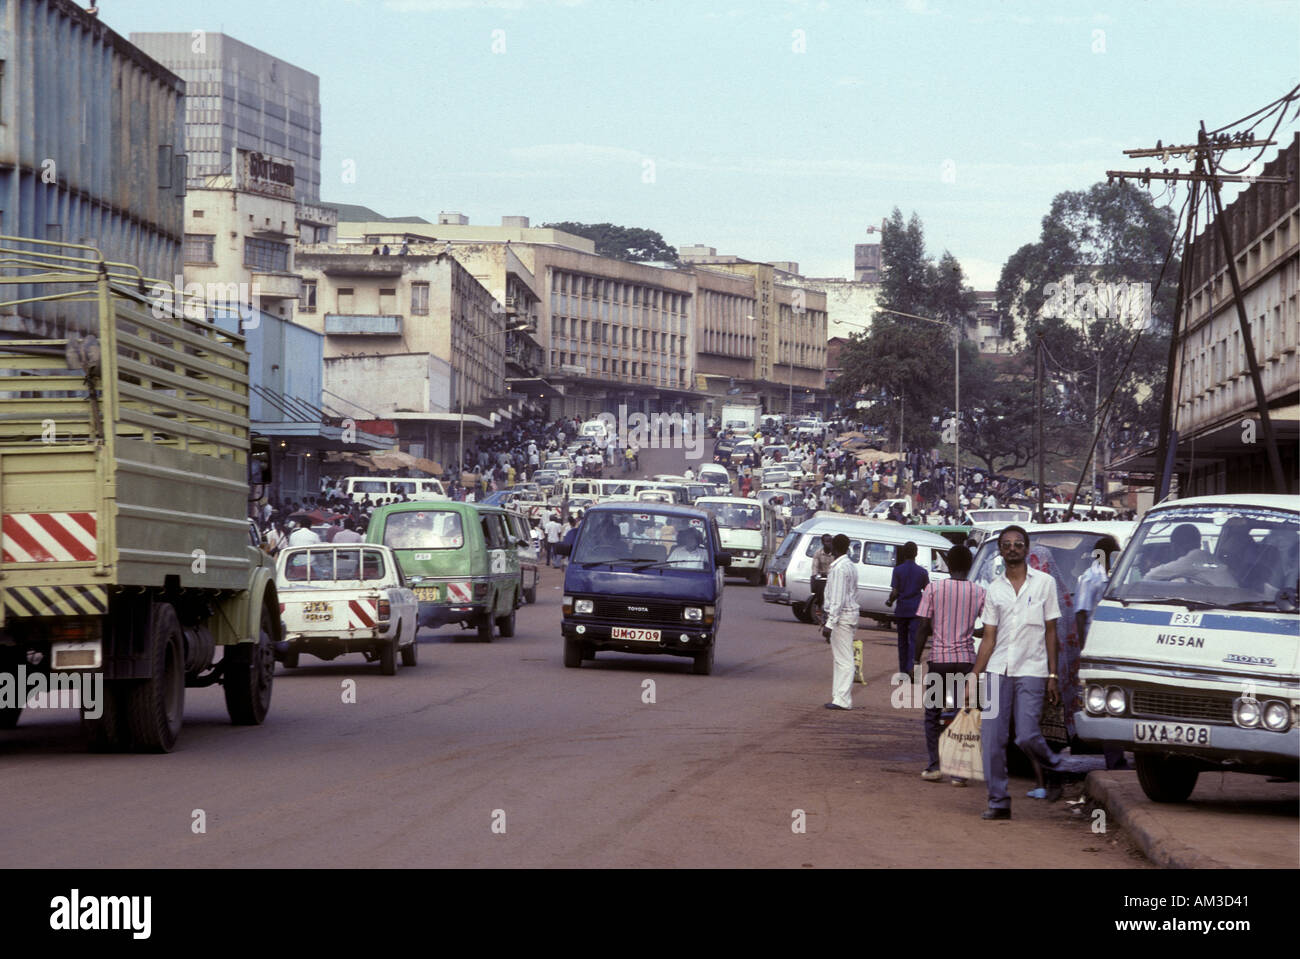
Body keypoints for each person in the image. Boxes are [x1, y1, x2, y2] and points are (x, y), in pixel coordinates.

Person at [972, 525, 1063, 819]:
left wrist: (1053, 674)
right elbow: (988, 638)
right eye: (1007, 544)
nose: (1012, 548)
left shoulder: (1045, 584)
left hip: (1033, 669)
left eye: (1018, 544)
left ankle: (1054, 766)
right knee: (992, 740)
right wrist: (974, 675)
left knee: (1025, 735)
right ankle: (998, 801)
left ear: (1027, 549)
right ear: (1000, 550)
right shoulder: (994, 590)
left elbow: (1052, 631)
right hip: (998, 670)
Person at [913, 544, 985, 785]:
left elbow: (923, 626)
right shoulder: (978, 592)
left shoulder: (934, 589)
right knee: (963, 714)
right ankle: (960, 772)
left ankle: (934, 766)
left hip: (939, 661)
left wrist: (914, 659)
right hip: (965, 661)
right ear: (969, 565)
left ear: (949, 564)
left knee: (932, 714)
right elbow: (988, 627)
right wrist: (971, 630)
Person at [1075, 535, 1125, 769]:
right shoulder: (1089, 578)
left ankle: (1117, 755)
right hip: (1095, 645)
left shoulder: (1116, 576)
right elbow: (1081, 614)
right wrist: (1083, 649)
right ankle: (1113, 758)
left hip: (1114, 644)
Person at [822, 534, 859, 710]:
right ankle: (838, 696)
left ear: (835, 548)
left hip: (842, 618)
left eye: (830, 544)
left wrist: (829, 623)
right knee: (840, 659)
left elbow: (838, 599)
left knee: (844, 660)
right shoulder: (849, 565)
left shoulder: (839, 568)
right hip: (848, 616)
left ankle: (843, 699)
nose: (827, 546)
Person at [887, 542, 929, 677]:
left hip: (902, 609)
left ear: (904, 554)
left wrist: (889, 601)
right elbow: (928, 591)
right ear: (916, 553)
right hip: (916, 610)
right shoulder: (922, 572)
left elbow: (894, 592)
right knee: (915, 641)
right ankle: (913, 669)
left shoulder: (898, 570)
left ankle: (903, 671)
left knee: (902, 642)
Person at [809, 533, 835, 628]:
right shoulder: (818, 553)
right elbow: (815, 567)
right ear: (823, 542)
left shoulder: (835, 553)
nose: (829, 543)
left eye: (830, 541)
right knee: (820, 594)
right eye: (826, 541)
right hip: (823, 578)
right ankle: (820, 608)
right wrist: (815, 575)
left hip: (833, 578)